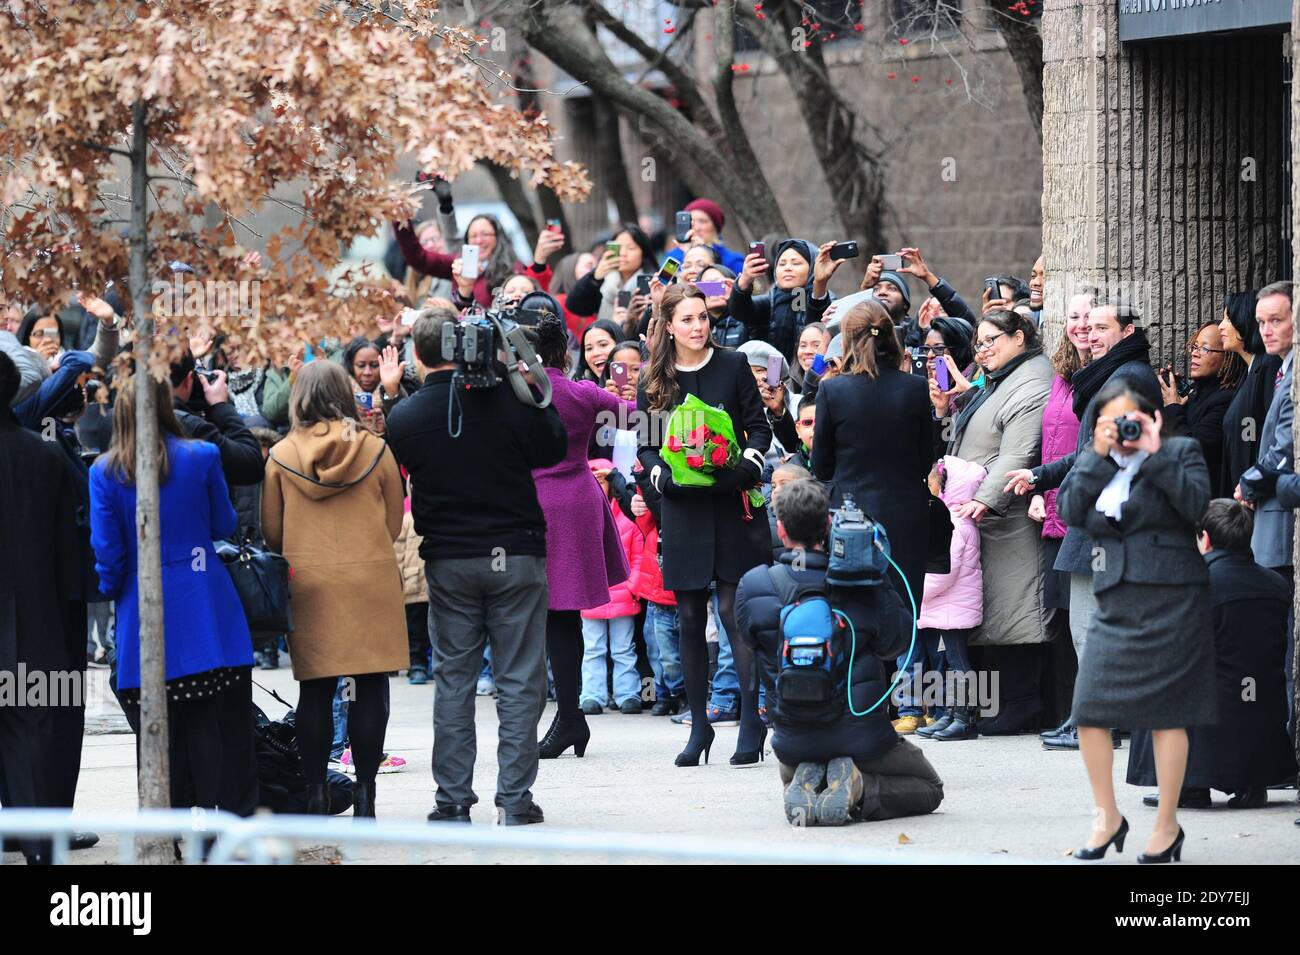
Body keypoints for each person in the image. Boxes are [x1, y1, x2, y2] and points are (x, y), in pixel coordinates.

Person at [385, 307, 566, 824]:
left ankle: (452, 800)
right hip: (516, 555)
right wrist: (521, 373)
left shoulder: (407, 416)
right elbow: (553, 445)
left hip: (449, 560)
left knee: (455, 682)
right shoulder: (510, 400)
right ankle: (514, 799)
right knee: (518, 681)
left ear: (418, 355)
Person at [1057, 380, 1214, 863]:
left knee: (1168, 714)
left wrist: (1154, 451)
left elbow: (1195, 508)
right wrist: (1097, 454)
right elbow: (1069, 510)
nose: (1124, 429)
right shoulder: (1100, 461)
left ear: (1154, 419)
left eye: (1132, 419)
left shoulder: (1181, 451)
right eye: (1114, 420)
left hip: (1171, 599)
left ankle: (1167, 825)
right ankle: (1107, 816)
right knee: (1089, 708)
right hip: (1114, 600)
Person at [89, 373, 256, 818]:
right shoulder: (201, 455)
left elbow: (108, 553)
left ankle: (164, 822)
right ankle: (210, 818)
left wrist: (112, 593)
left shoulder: (104, 471)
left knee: (155, 725)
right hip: (202, 600)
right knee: (204, 717)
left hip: (140, 602)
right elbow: (223, 524)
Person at [734, 478, 944, 825]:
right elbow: (899, 644)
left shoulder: (755, 585)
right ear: (829, 525)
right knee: (929, 787)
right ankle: (857, 788)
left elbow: (751, 642)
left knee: (803, 761)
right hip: (861, 736)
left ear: (781, 529)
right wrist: (879, 574)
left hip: (792, 738)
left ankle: (809, 778)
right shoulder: (863, 585)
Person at [261, 361, 407, 819]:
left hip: (310, 581)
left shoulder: (281, 455)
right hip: (370, 581)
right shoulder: (376, 450)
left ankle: (316, 791)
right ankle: (365, 793)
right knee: (369, 689)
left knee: (316, 691)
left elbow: (271, 532)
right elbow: (393, 522)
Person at [1008, 298, 1159, 741]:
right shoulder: (1115, 375)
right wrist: (1041, 474)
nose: (1089, 335)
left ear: (1127, 332)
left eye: (1101, 328)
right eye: (1087, 327)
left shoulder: (1128, 378)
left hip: (1105, 522)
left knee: (1089, 627)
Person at [638, 284, 772, 767]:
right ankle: (699, 727)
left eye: (703, 317)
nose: (699, 327)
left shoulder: (733, 364)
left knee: (736, 615)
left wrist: (744, 468)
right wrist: (664, 479)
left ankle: (753, 724)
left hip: (732, 505)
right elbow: (648, 446)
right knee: (690, 619)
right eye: (688, 319)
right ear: (669, 326)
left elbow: (759, 428)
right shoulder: (656, 378)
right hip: (684, 512)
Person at [1127, 499, 1296, 809]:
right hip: (1262, 715)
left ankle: (1187, 782)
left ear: (1204, 538)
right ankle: (1249, 783)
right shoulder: (1276, 584)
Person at [521, 314, 634, 757]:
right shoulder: (582, 391)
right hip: (580, 499)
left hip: (538, 504)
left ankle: (568, 717)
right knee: (564, 615)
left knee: (551, 616)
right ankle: (570, 717)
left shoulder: (522, 393)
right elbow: (633, 413)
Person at [940, 309, 1053, 735]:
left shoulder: (1032, 379)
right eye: (979, 344)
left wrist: (983, 499)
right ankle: (999, 704)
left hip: (1006, 512)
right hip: (983, 513)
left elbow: (1019, 451)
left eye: (992, 341)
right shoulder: (1004, 377)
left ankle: (1024, 704)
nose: (983, 350)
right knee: (997, 611)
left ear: (1019, 337)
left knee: (1018, 611)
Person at [0, 351, 83, 865]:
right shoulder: (46, 457)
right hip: (38, 618)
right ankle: (37, 846)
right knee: (34, 732)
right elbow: (69, 551)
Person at [811, 299, 934, 610]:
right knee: (903, 609)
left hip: (851, 515)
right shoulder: (915, 388)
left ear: (848, 339)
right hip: (906, 513)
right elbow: (924, 460)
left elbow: (821, 466)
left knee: (853, 609)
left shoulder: (833, 391)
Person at [1033, 288, 1093, 748]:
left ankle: (1090, 717)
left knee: (1087, 619)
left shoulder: (1106, 377)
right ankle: (1071, 713)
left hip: (1083, 509)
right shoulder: (1061, 372)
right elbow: (1049, 437)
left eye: (1088, 317)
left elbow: (1085, 451)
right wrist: (1037, 487)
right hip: (1052, 505)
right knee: (1066, 616)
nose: (1079, 326)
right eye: (1073, 316)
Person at [1235, 281, 1296, 726]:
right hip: (1269, 521)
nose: (1267, 331)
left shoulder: (1292, 373)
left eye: (1277, 320)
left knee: (1281, 638)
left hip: (1278, 526)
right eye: (1261, 323)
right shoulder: (1280, 368)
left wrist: (1248, 484)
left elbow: (1282, 448)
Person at [913, 455, 987, 741]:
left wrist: (918, 594)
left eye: (930, 482)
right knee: (952, 662)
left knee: (959, 664)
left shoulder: (955, 524)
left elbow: (944, 570)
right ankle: (950, 715)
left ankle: (965, 718)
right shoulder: (955, 519)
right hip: (947, 607)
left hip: (951, 606)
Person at [579, 459, 643, 715]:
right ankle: (592, 695)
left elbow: (638, 557)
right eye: (592, 480)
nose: (597, 486)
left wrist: (631, 588)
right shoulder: (580, 520)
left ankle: (628, 694)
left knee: (623, 649)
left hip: (622, 597)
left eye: (602, 480)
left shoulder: (627, 520)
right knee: (592, 648)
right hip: (591, 598)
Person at [393, 211, 555, 309]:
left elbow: (535, 293)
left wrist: (540, 258)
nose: (478, 240)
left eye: (485, 234)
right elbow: (419, 259)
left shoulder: (514, 269)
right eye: (473, 236)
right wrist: (400, 219)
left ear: (498, 238)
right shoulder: (458, 264)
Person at [1159, 321, 1243, 498]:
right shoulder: (1196, 392)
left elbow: (1192, 450)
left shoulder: (1226, 400)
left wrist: (1173, 408)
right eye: (1194, 346)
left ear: (1227, 357)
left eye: (1205, 349)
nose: (1195, 354)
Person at [730, 239, 837, 363]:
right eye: (782, 264)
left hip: (811, 374)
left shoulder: (826, 299)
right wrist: (744, 281)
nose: (787, 268)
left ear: (813, 266)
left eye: (796, 263)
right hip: (771, 378)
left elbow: (816, 321)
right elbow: (740, 311)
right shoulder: (770, 302)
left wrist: (819, 284)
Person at [1217, 289, 1277, 493]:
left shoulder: (1268, 366)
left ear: (1244, 319)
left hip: (1255, 491)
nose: (1221, 327)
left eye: (1228, 318)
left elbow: (1265, 431)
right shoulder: (1249, 372)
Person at [563, 224, 657, 324]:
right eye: (618, 247)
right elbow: (574, 306)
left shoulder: (653, 283)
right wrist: (595, 277)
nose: (623, 253)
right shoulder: (604, 282)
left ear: (643, 252)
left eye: (631, 248)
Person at [661, 198, 746, 273]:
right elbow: (663, 283)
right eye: (692, 222)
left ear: (715, 227)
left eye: (702, 221)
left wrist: (704, 252)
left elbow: (736, 289)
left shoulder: (733, 260)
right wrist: (686, 254)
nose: (697, 228)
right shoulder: (674, 256)